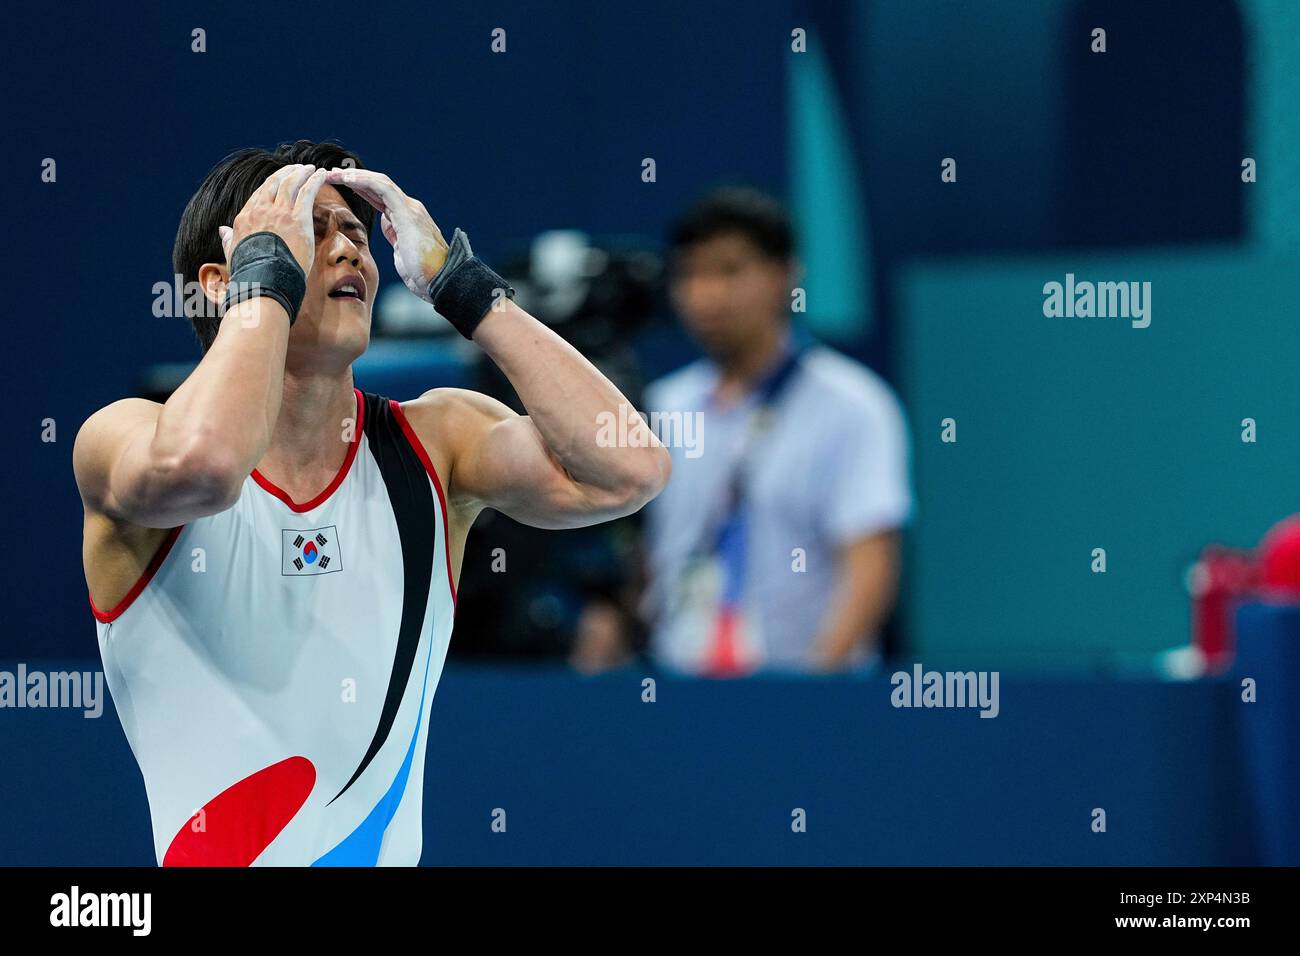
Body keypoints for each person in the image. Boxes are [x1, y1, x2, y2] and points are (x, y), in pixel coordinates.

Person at [73, 140, 670, 866]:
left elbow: (629, 471)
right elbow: (206, 467)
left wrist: (466, 287)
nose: (350, 248)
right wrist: (260, 285)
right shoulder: (123, 436)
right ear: (220, 279)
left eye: (356, 231)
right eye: (311, 231)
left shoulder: (438, 442)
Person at [639, 186, 911, 676]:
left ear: (786, 275)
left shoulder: (855, 406)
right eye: (690, 273)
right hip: (680, 700)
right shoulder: (661, 406)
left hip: (810, 702)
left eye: (729, 270)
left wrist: (813, 694)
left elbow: (871, 564)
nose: (706, 295)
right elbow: (649, 556)